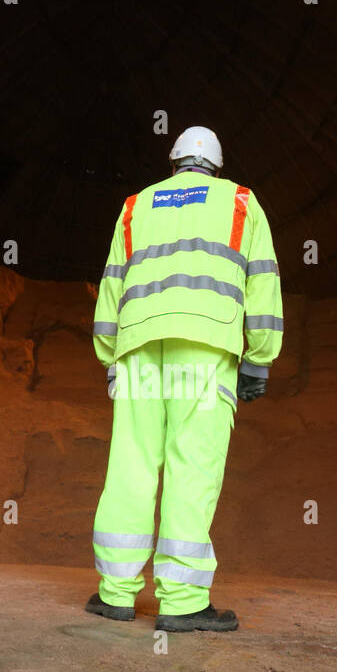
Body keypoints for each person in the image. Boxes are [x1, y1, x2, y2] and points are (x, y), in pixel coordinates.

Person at [85, 126, 283, 633]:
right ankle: (182, 602)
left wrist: (110, 356)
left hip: (137, 347)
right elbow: (261, 279)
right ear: (216, 164)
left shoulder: (135, 206)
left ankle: (115, 595)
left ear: (173, 161)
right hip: (205, 345)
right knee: (191, 467)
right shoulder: (240, 201)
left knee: (130, 464)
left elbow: (113, 281)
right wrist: (258, 358)